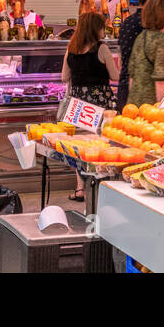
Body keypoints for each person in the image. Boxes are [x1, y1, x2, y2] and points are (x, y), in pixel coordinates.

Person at [60, 11, 119, 201]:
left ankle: (80, 188)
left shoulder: (71, 48)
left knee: (80, 145)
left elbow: (64, 77)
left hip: (77, 103)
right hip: (99, 101)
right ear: (95, 28)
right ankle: (99, 185)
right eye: (102, 26)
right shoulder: (101, 48)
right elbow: (115, 76)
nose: (104, 30)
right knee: (99, 145)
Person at [115, 0, 164, 108]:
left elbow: (120, 61)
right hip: (149, 95)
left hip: (125, 89)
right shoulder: (157, 25)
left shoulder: (127, 22)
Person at [126, 0, 164, 108]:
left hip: (136, 107)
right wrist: (163, 113)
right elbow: (161, 83)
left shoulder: (141, 37)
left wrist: (132, 106)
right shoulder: (163, 42)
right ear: (163, 12)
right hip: (153, 110)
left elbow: (132, 77)